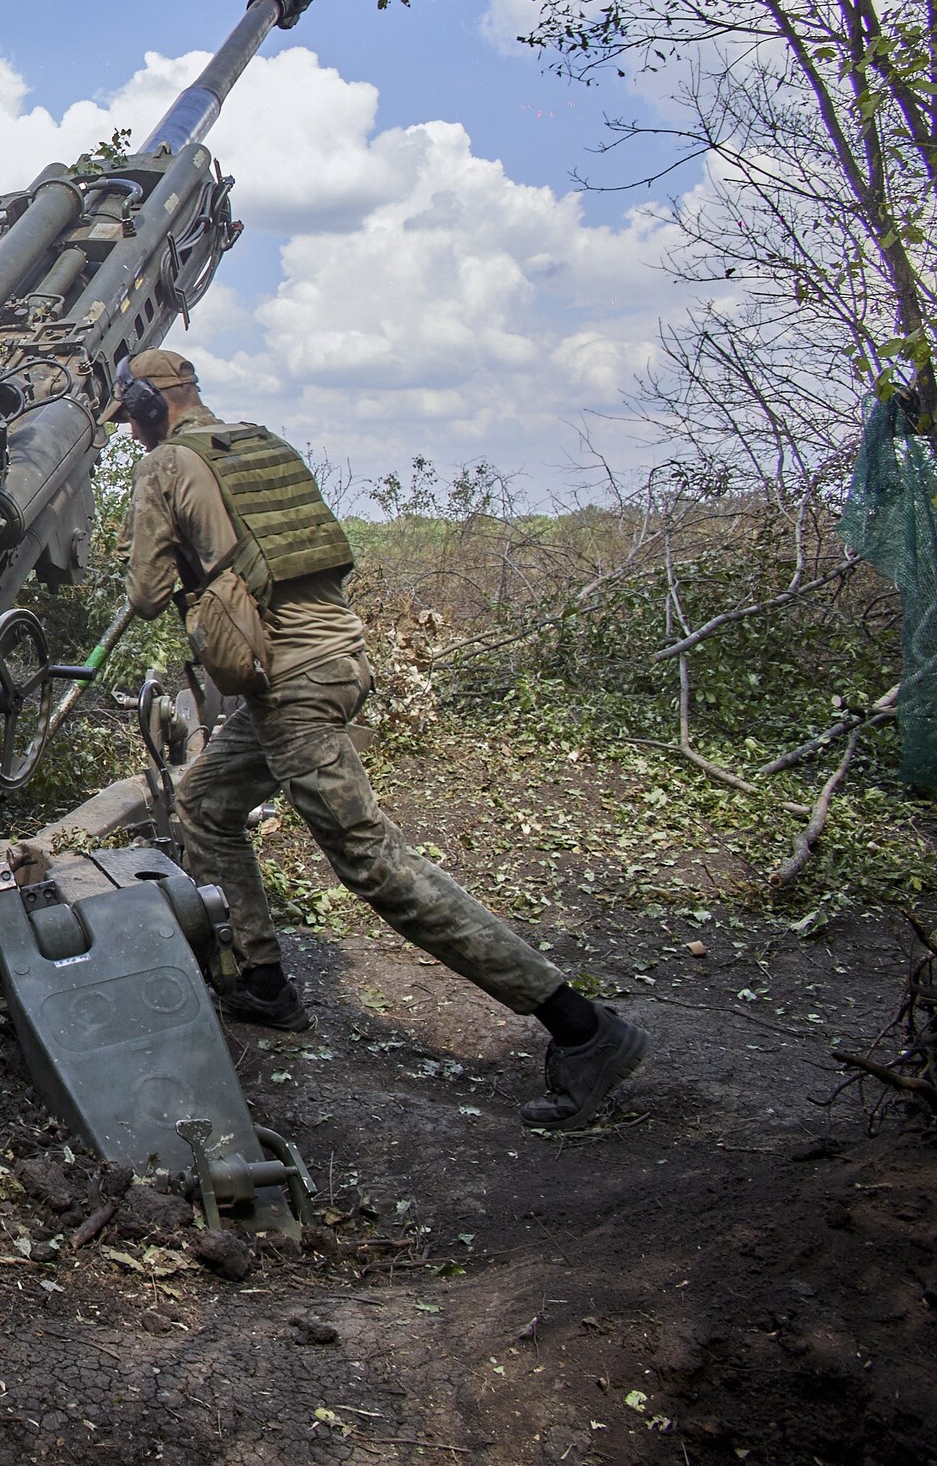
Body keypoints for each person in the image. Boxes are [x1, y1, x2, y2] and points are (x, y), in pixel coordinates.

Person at [114, 348, 648, 1132]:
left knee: (374, 864)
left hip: (291, 681)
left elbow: (147, 592)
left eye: (130, 416)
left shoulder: (164, 465)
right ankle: (262, 980)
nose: (128, 431)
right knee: (206, 801)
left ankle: (582, 1026)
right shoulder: (259, 445)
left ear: (149, 406)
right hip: (333, 658)